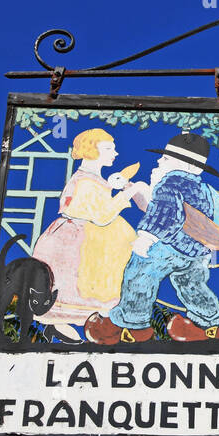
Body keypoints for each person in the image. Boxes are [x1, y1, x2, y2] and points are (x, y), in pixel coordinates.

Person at [85, 132, 219, 343]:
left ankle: (133, 326)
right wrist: (131, 187)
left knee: (140, 274)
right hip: (197, 252)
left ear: (186, 165)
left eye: (165, 159)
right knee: (192, 286)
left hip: (168, 246)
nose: (158, 161)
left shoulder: (170, 183)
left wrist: (146, 238)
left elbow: (163, 214)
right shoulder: (204, 189)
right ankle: (213, 324)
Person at [31, 128, 148, 342]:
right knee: (77, 289)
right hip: (78, 242)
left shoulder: (94, 179)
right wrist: (131, 190)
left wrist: (120, 186)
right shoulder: (86, 181)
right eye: (108, 148)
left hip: (88, 238)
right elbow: (102, 216)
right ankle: (71, 327)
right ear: (91, 150)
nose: (115, 153)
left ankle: (86, 328)